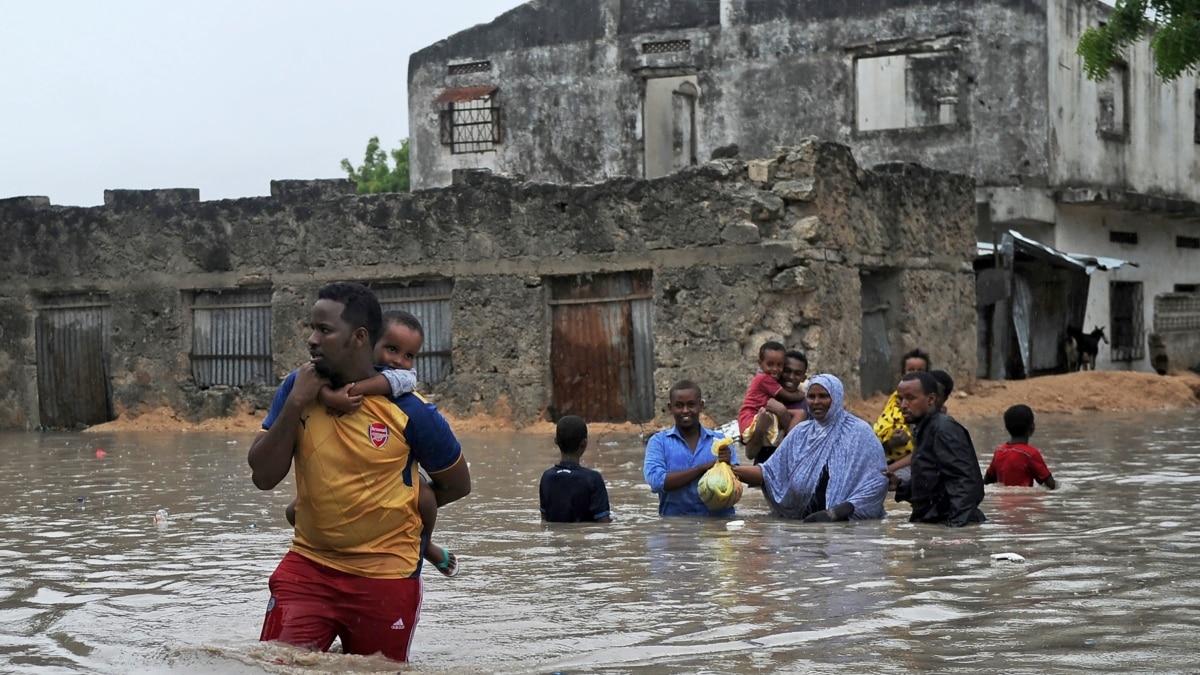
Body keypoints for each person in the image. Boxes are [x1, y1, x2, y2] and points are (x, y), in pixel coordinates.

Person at [249, 282, 471, 662]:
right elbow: (263, 477)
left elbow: (457, 484)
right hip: (309, 566)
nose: (311, 339)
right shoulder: (298, 388)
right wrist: (297, 401)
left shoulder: (410, 410)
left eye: (324, 330)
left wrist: (395, 508)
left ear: (359, 338)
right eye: (312, 328)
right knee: (275, 667)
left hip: (386, 578)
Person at [284, 309, 459, 577]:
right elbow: (312, 379)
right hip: (335, 476)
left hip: (384, 478)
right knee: (293, 511)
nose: (399, 361)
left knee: (423, 495)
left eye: (409, 355)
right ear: (367, 342)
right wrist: (331, 398)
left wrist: (352, 393)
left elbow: (391, 380)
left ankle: (425, 544)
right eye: (391, 348)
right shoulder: (336, 367)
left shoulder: (403, 381)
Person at [732, 374, 887, 522]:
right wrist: (728, 469)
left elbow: (877, 482)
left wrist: (837, 513)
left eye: (823, 396)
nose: (816, 402)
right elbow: (770, 473)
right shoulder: (801, 433)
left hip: (846, 527)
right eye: (811, 397)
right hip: (805, 525)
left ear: (837, 397)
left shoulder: (860, 433)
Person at [887, 371, 985, 527]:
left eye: (910, 398)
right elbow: (932, 485)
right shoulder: (923, 429)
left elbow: (966, 484)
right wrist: (900, 485)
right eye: (900, 399)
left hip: (948, 526)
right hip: (931, 524)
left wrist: (955, 531)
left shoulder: (944, 429)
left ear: (931, 399)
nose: (903, 405)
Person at [644, 380, 738, 516]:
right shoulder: (659, 442)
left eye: (691, 405)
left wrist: (728, 466)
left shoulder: (721, 441)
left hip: (717, 526)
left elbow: (736, 486)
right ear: (670, 408)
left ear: (701, 406)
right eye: (679, 406)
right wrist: (701, 469)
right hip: (676, 528)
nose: (685, 411)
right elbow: (657, 482)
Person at [738, 341, 807, 465]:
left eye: (797, 374)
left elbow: (801, 446)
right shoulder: (765, 396)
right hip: (762, 473)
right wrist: (760, 428)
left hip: (790, 476)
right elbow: (750, 454)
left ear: (803, 378)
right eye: (786, 370)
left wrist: (782, 412)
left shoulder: (807, 405)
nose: (791, 377)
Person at [540, 415, 613, 523]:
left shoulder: (547, 477)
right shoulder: (593, 478)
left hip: (556, 539)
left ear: (556, 441)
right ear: (584, 443)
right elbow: (604, 524)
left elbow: (544, 519)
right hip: (584, 537)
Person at [873, 349, 931, 481]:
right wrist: (890, 443)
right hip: (893, 459)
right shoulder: (893, 405)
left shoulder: (930, 409)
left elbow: (923, 451)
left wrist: (889, 470)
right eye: (911, 370)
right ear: (903, 374)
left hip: (912, 465)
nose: (916, 374)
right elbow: (878, 440)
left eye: (920, 371)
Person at [985, 405, 1058, 489]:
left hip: (1002, 501)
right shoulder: (1031, 454)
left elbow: (986, 482)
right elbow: (1051, 485)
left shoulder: (999, 451)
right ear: (1032, 428)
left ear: (1006, 427)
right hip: (1025, 500)